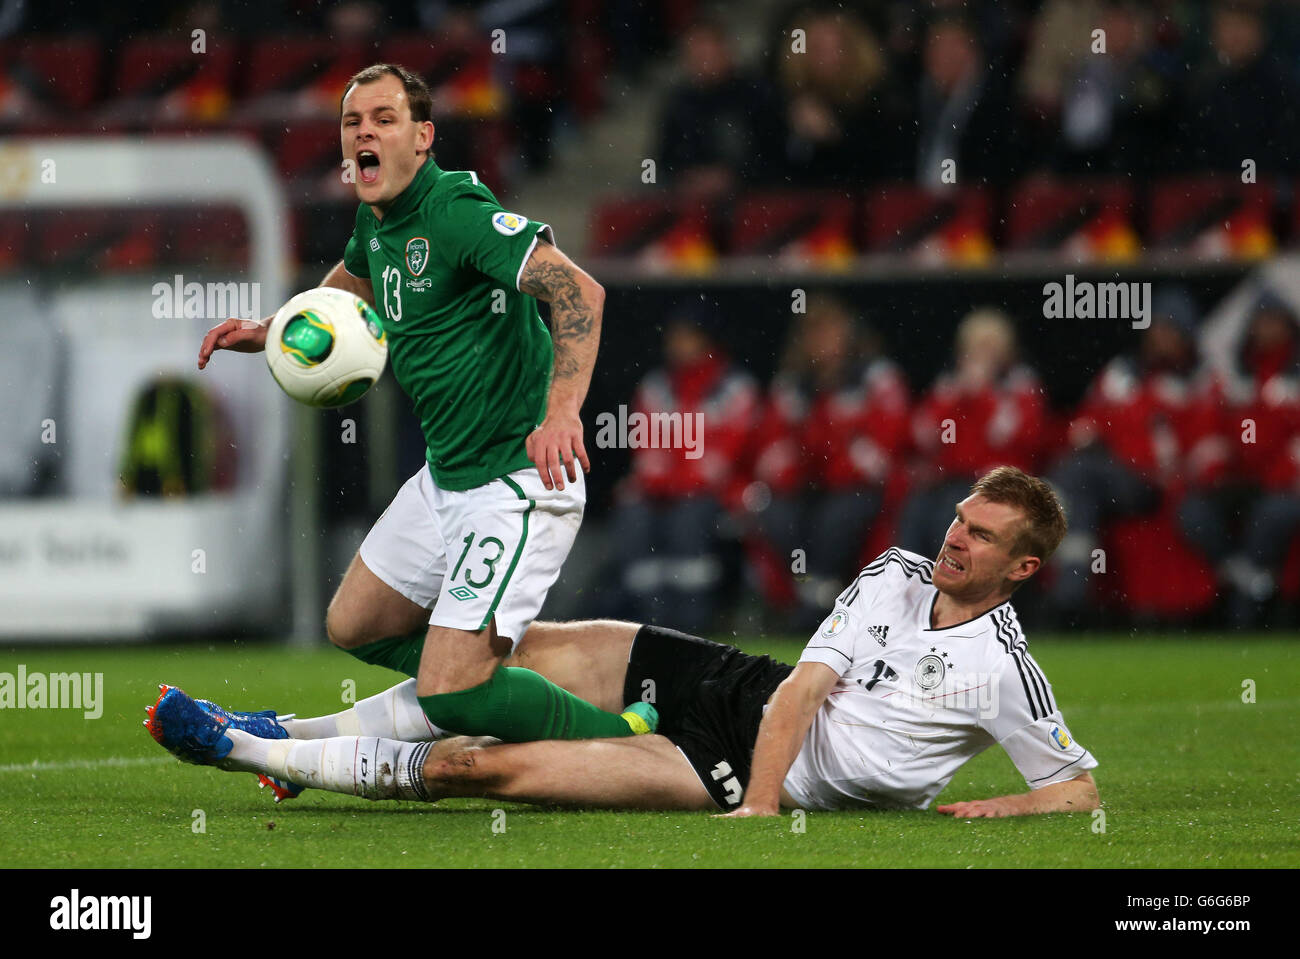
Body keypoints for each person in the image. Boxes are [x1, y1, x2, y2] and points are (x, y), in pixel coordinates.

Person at [149, 466, 1101, 818]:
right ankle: (290, 734)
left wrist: (1002, 810)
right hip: (733, 681)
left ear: (1022, 569)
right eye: (961, 518)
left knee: (483, 770)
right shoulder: (897, 570)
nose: (955, 536)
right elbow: (806, 685)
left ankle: (247, 749)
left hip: (713, 764)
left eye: (981, 535)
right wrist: (768, 807)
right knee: (507, 658)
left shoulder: (1004, 670)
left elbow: (1078, 786)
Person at [193, 63, 654, 746]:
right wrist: (278, 330)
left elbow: (579, 291)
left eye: (383, 119)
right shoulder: (375, 219)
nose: (364, 134)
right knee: (355, 624)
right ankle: (480, 676)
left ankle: (621, 739)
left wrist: (562, 411)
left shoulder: (457, 212)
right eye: (352, 123)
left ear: (424, 136)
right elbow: (353, 283)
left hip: (516, 482)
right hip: (446, 479)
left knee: (450, 693)